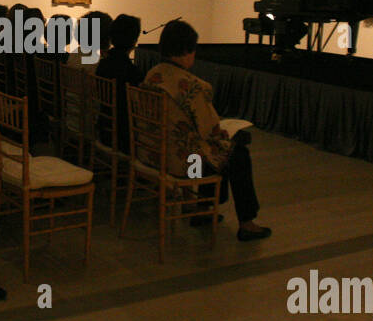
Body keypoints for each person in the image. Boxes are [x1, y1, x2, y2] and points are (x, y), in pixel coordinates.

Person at [142, 20, 270, 241]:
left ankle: (204, 210)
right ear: (187, 50)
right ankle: (247, 222)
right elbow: (210, 130)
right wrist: (228, 133)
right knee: (237, 154)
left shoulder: (152, 75)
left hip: (154, 152)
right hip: (184, 164)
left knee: (216, 151)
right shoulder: (192, 86)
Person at [95, 14, 142, 152]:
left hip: (104, 129)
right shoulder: (132, 72)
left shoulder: (102, 64)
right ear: (134, 41)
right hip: (124, 137)